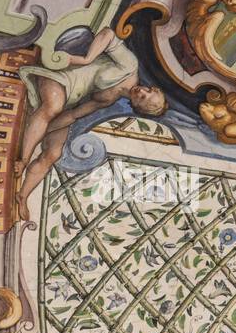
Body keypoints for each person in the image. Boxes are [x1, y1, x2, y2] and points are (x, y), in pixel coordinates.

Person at [16, 28, 166, 207]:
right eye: (148, 90)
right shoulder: (130, 66)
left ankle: (22, 196)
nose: (142, 91)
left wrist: (44, 130)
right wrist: (87, 58)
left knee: (54, 152)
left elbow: (73, 115)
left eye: (142, 98)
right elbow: (108, 34)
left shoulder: (109, 99)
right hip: (61, 74)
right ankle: (23, 161)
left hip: (67, 98)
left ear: (136, 107)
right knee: (52, 107)